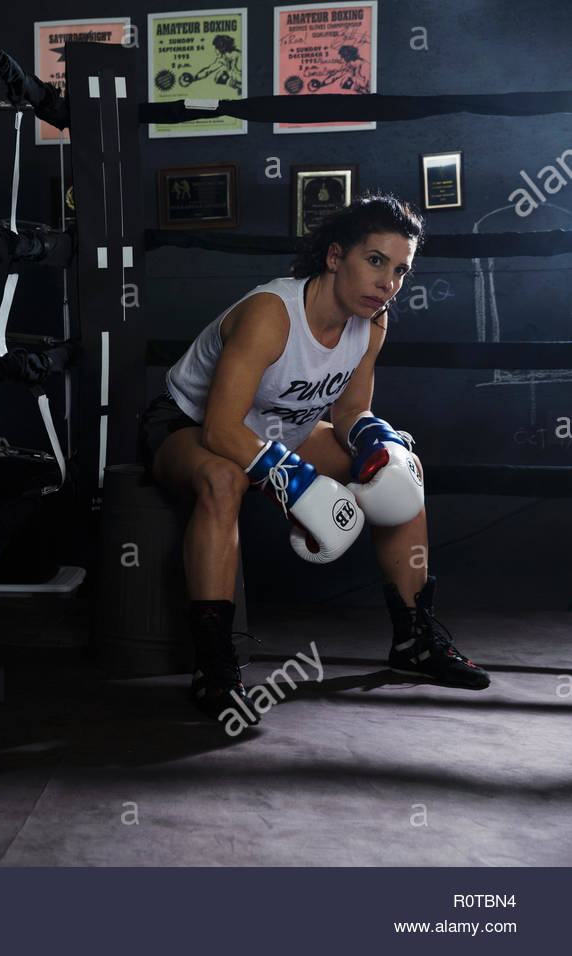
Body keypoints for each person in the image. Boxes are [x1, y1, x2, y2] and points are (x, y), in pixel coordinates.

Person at [137, 192, 490, 726]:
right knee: (222, 479)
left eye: (400, 270)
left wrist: (374, 439)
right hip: (190, 425)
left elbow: (349, 411)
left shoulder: (372, 323)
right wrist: (298, 486)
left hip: (283, 431)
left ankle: (415, 640)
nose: (387, 283)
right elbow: (222, 428)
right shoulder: (270, 315)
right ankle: (214, 667)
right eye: (375, 261)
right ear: (334, 256)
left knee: (403, 472)